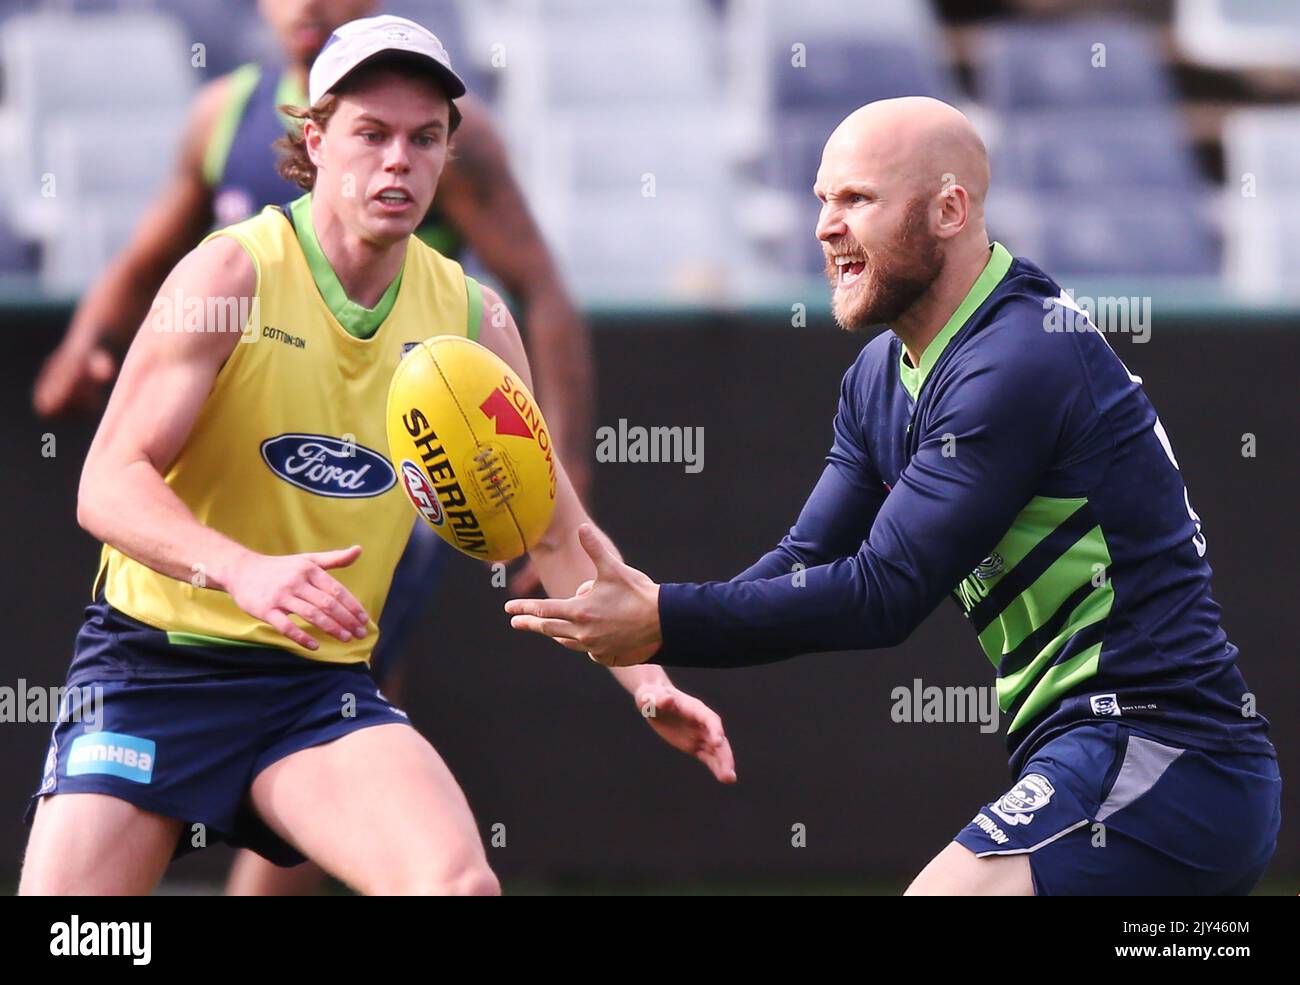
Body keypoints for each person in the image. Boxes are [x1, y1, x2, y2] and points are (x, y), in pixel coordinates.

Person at [20, 15, 734, 897]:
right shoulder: (229, 277)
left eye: (424, 138)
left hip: (312, 690)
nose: (398, 159)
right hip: (152, 664)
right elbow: (106, 483)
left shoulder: (474, 321)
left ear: (447, 156)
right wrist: (243, 571)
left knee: (459, 887)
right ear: (315, 142)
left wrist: (649, 682)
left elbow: (554, 533)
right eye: (372, 133)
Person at [505, 97, 1281, 896]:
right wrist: (657, 646)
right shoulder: (879, 377)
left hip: (1164, 757)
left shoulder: (1017, 361)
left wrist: (665, 616)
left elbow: (884, 591)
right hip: (1095, 756)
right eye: (821, 200)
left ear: (950, 210)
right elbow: (807, 560)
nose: (825, 227)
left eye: (857, 199)